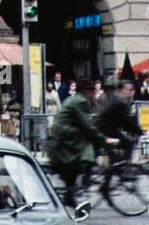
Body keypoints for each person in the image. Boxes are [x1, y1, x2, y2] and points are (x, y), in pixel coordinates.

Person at [45, 77, 112, 207]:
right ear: (87, 91)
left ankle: (70, 194)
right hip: (65, 136)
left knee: (75, 162)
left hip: (64, 134)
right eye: (92, 91)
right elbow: (87, 125)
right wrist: (102, 139)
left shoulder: (75, 99)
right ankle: (84, 176)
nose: (94, 94)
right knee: (87, 150)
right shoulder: (81, 102)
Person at [96, 80, 143, 158]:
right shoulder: (120, 102)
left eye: (132, 90)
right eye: (128, 90)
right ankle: (123, 165)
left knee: (122, 144)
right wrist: (139, 131)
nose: (130, 92)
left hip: (106, 128)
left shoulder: (116, 99)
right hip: (106, 129)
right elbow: (125, 121)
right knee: (127, 144)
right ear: (121, 90)